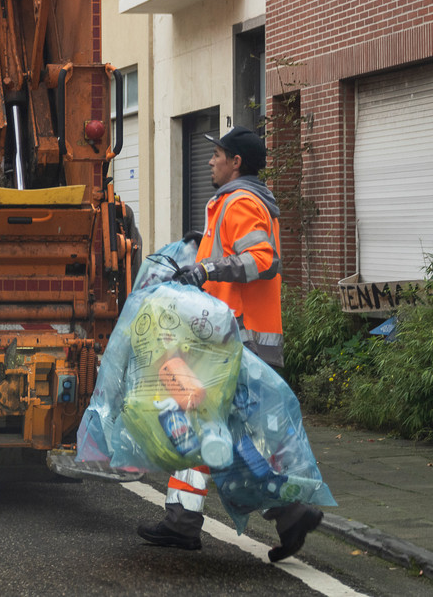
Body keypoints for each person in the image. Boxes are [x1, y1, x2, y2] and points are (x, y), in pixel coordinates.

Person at [137, 125, 323, 562]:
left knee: (202, 423)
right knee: (223, 432)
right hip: (236, 338)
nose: (210, 161)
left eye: (217, 154)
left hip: (237, 341)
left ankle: (191, 521)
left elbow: (263, 260)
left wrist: (207, 270)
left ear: (236, 162)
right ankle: (285, 511)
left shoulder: (240, 201)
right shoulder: (237, 202)